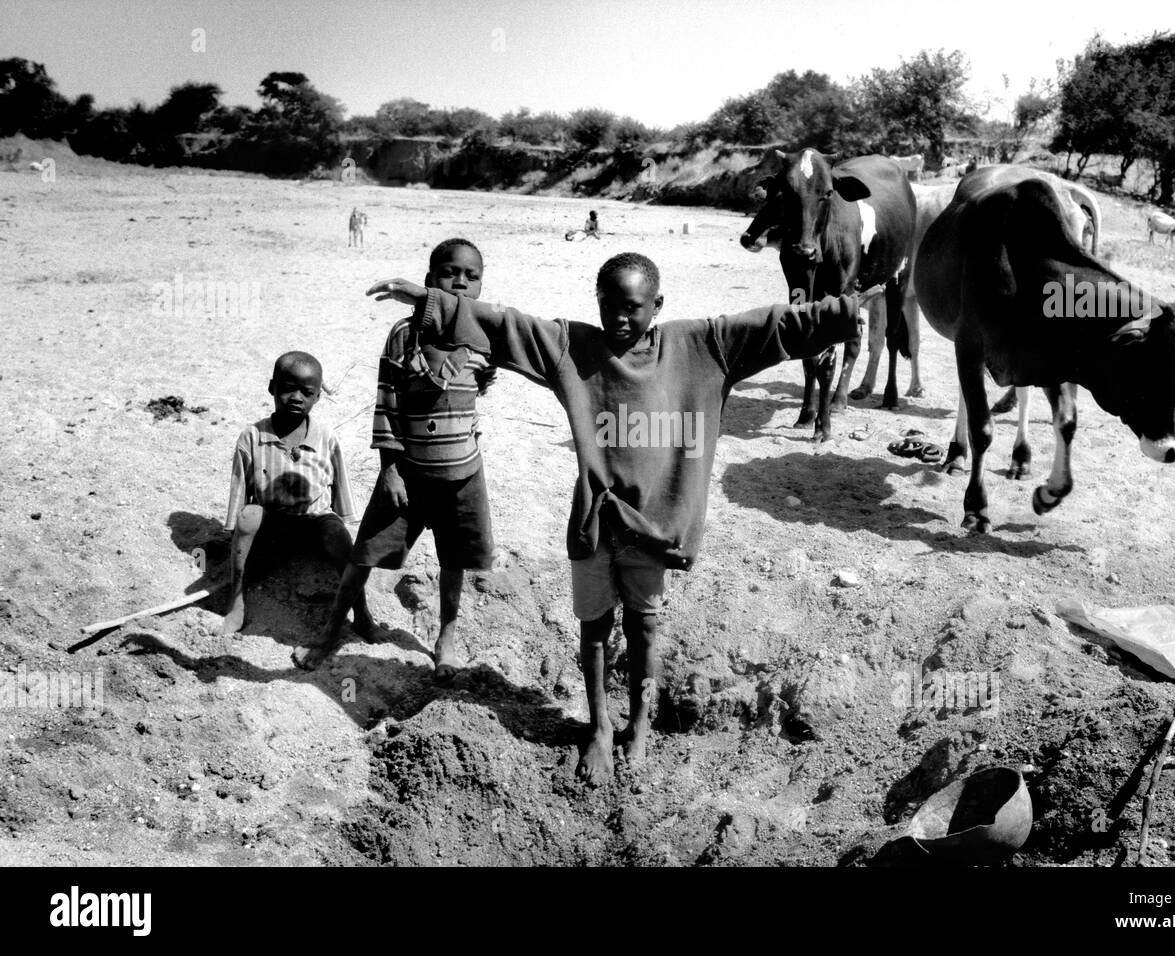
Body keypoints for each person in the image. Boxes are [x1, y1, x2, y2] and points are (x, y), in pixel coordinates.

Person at [363, 253, 860, 785]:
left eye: (633, 308)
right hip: (596, 523)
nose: (620, 319)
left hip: (655, 528)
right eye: (609, 307)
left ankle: (640, 724)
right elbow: (507, 325)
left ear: (658, 305)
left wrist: (846, 308)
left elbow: (774, 325)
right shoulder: (574, 349)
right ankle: (599, 725)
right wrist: (430, 300)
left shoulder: (702, 348)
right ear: (596, 303)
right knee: (594, 630)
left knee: (644, 629)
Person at [293, 239, 497, 676]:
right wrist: (390, 469)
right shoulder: (406, 334)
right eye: (448, 273)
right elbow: (387, 401)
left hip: (463, 474)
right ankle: (331, 630)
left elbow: (482, 385)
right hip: (409, 474)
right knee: (364, 554)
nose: (460, 281)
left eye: (472, 276)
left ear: (481, 286)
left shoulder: (484, 340)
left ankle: (446, 637)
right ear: (428, 283)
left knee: (453, 559)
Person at [223, 351, 365, 635]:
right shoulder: (251, 437)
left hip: (314, 525)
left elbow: (341, 492)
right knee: (249, 515)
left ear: (317, 397)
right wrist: (234, 531)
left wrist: (342, 525)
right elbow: (240, 492)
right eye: (288, 389)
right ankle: (235, 602)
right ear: (272, 388)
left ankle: (362, 613)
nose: (297, 397)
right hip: (271, 527)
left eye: (307, 392)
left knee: (338, 534)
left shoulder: (326, 438)